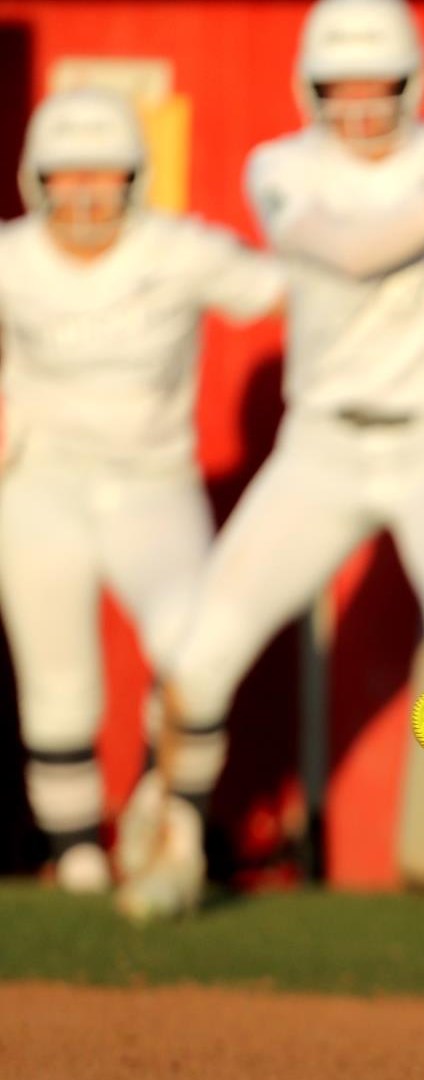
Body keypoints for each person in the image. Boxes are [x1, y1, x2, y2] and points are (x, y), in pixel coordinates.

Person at [113, 0, 424, 930]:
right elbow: (352, 254)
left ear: (411, 83)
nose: (358, 105)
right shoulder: (282, 167)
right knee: (202, 649)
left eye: (377, 85)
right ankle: (176, 847)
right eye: (337, 87)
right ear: (308, 89)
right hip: (324, 445)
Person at [0, 88, 285, 894]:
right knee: (58, 681)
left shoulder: (178, 250)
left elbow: (290, 286)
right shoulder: (12, 258)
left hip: (153, 487)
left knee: (196, 655)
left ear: (135, 176)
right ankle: (75, 857)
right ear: (36, 178)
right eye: (67, 173)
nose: (86, 193)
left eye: (104, 172)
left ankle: (172, 822)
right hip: (39, 486)